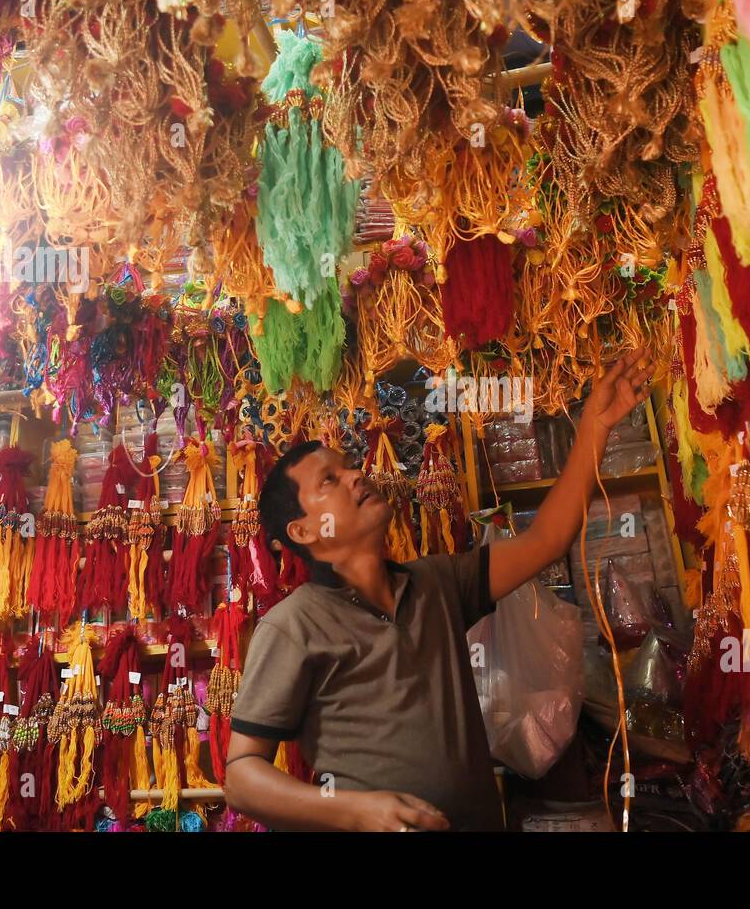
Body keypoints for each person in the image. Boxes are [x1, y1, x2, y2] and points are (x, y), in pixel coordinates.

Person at [223, 350, 656, 830]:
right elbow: (241, 776)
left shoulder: (439, 582)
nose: (355, 474)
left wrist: (596, 426)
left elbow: (547, 539)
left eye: (348, 465)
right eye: (330, 479)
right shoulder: (292, 627)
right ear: (303, 531)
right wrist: (356, 811)